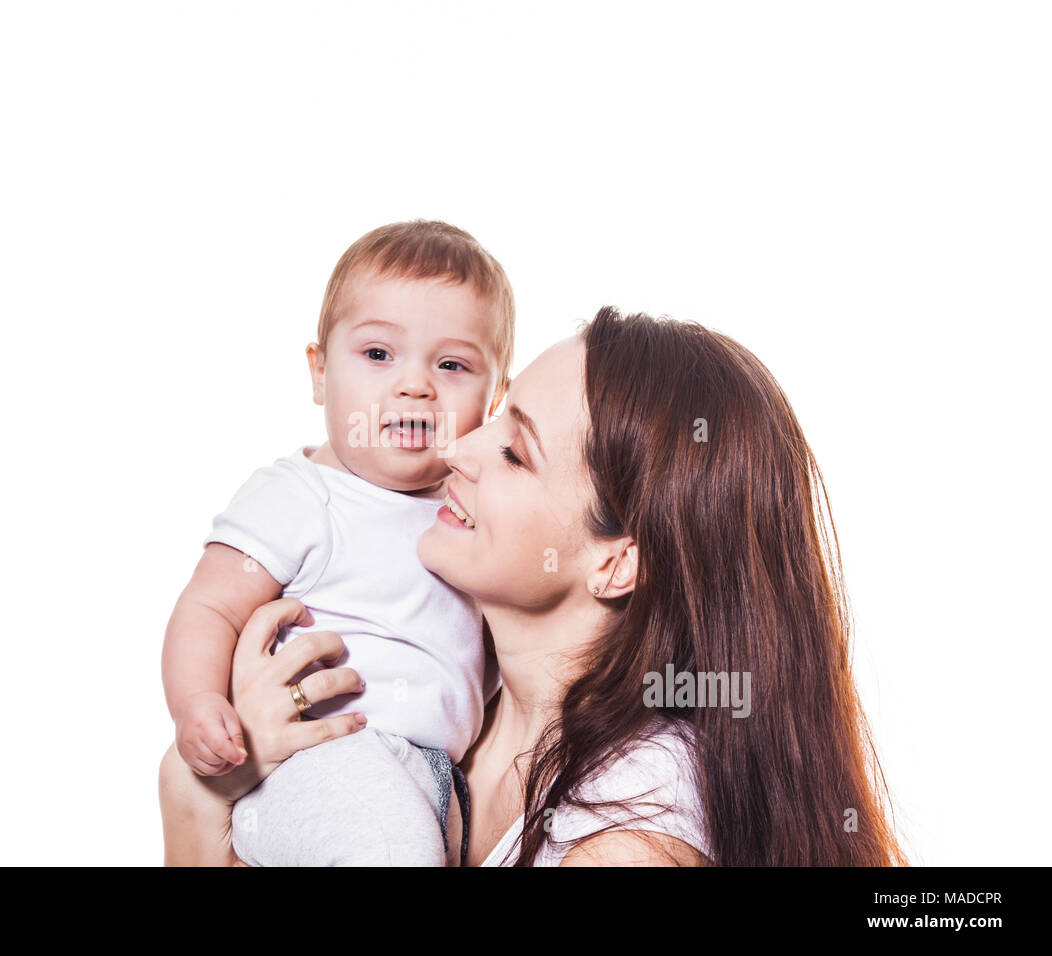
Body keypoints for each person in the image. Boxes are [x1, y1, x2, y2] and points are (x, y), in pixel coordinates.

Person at [160, 308, 905, 866]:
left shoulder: (632, 829)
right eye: (494, 414)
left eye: (514, 451)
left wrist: (195, 803)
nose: (456, 446)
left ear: (616, 562)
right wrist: (214, 781)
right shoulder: (432, 693)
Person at [160, 220, 515, 865]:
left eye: (453, 365)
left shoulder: (477, 512)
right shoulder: (302, 496)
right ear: (319, 373)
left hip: (434, 782)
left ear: (497, 400)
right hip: (319, 757)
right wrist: (200, 706)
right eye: (378, 355)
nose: (415, 385)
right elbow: (209, 606)